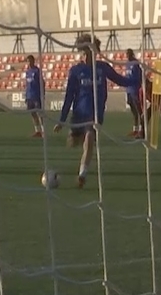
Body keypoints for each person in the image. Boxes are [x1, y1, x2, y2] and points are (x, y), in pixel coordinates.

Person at [54, 35, 140, 188]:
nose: (87, 56)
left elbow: (121, 80)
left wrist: (139, 80)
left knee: (89, 139)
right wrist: (62, 120)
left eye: (90, 53)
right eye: (84, 53)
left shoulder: (103, 68)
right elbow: (69, 96)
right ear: (81, 53)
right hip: (79, 114)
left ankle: (82, 174)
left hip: (95, 115)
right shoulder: (76, 71)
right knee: (73, 143)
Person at [139, 76, 161, 141]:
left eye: (147, 83)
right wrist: (143, 111)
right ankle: (143, 134)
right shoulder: (141, 90)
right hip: (154, 102)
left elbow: (160, 98)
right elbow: (142, 101)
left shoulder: (153, 86)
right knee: (144, 117)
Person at [123, 49, 144, 137]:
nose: (127, 56)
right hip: (129, 89)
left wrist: (140, 85)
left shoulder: (136, 63)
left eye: (128, 54)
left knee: (139, 110)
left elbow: (140, 75)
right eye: (126, 54)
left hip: (135, 89)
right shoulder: (127, 64)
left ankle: (142, 130)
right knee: (133, 110)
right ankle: (135, 129)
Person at [23, 55, 45, 138]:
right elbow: (27, 84)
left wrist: (42, 94)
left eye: (30, 61)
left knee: (39, 113)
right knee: (32, 114)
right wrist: (26, 96)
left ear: (33, 61)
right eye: (28, 61)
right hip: (29, 96)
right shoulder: (27, 72)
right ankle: (37, 131)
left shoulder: (37, 71)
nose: (29, 63)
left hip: (36, 95)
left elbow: (42, 82)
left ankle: (43, 131)